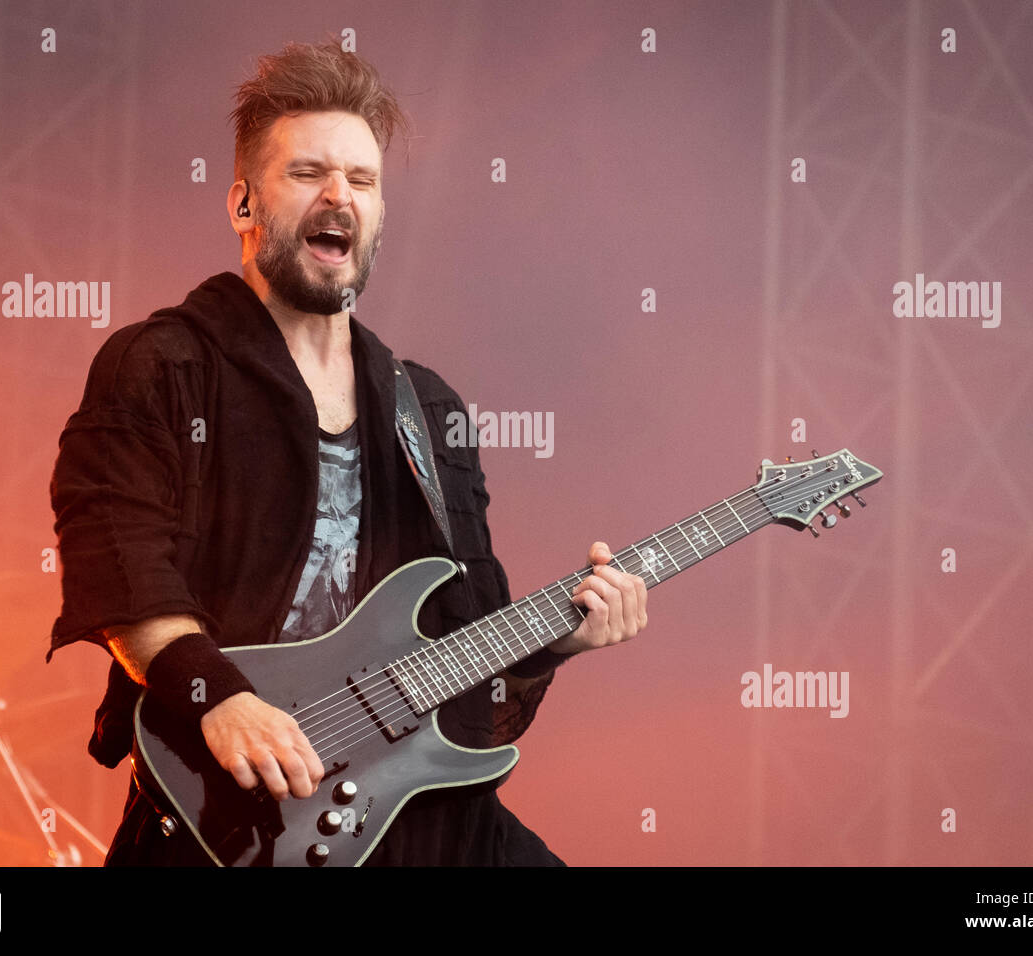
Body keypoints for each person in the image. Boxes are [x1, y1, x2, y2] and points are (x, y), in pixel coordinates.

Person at [47, 39, 647, 866]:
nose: (340, 196)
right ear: (243, 204)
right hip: (233, 810)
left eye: (362, 180)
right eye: (308, 174)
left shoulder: (424, 405)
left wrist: (559, 640)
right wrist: (221, 699)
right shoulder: (163, 365)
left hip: (409, 808)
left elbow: (466, 632)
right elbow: (118, 551)